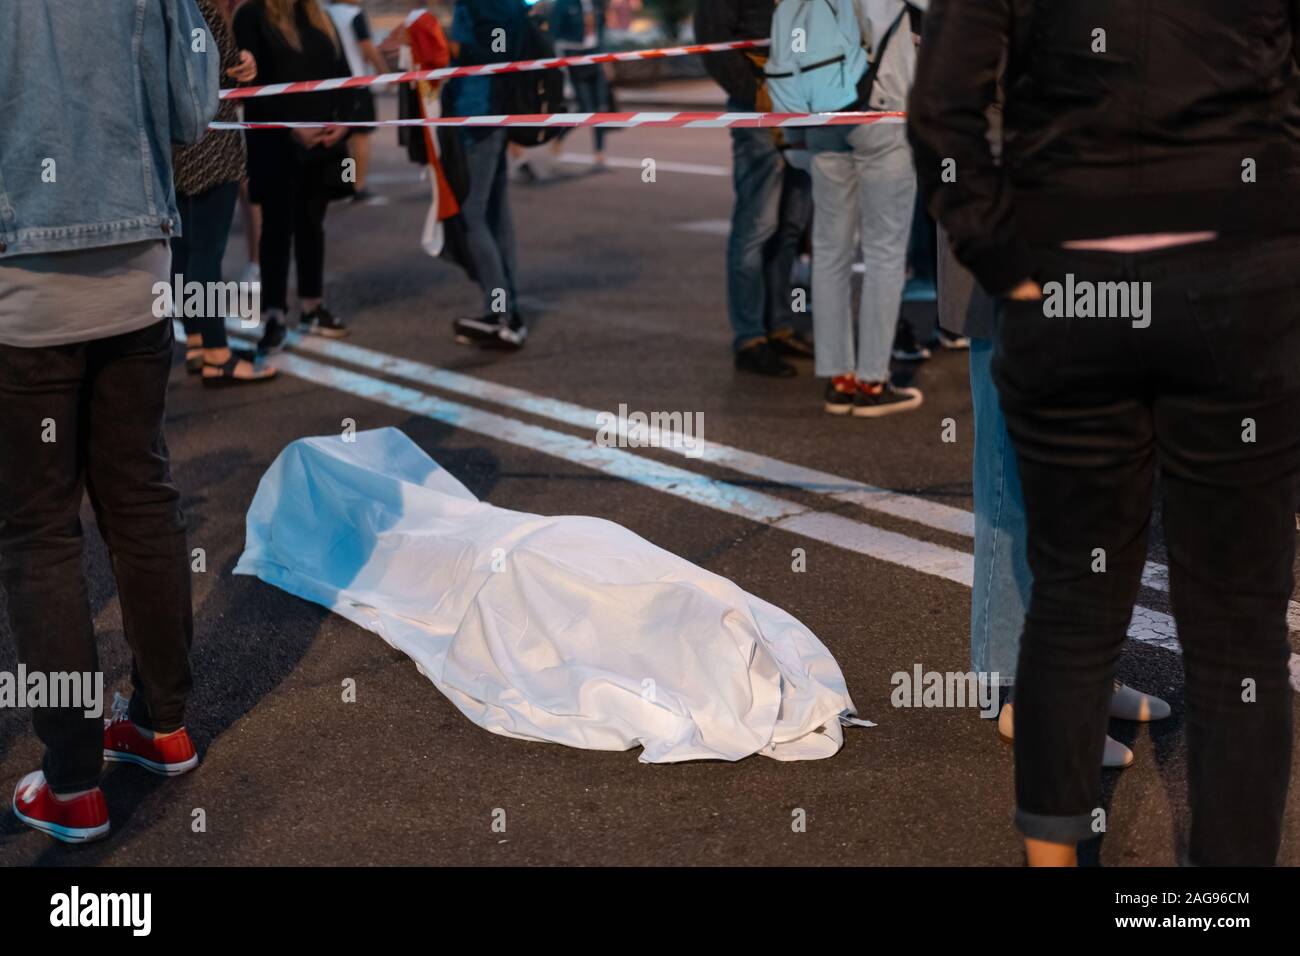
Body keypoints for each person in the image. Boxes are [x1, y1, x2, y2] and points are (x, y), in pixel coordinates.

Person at [912, 0, 1300, 866]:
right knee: (1239, 632)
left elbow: (943, 114)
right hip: (1237, 284)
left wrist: (1009, 269)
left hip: (1073, 281)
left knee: (1071, 605)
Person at [1, 0, 217, 843]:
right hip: (140, 270)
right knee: (140, 497)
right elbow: (192, 110)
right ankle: (161, 724)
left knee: (39, 533)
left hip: (22, 281)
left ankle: (73, 781)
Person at [784, 0, 923, 417]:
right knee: (884, 252)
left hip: (824, 114)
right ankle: (872, 380)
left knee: (829, 251)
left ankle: (839, 378)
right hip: (883, 113)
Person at [696, 0, 815, 378]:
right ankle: (749, 338)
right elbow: (712, 42)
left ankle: (778, 326)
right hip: (759, 108)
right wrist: (754, 92)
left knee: (791, 226)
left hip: (804, 104)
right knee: (756, 227)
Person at [234, 0, 357, 352]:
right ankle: (273, 315)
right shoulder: (252, 15)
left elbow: (345, 74)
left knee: (312, 224)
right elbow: (251, 86)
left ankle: (312, 307)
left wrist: (344, 123)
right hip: (275, 142)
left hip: (322, 142)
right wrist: (292, 128)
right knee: (275, 229)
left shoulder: (320, 17)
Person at [175, 0, 278, 386]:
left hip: (178, 144)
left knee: (184, 250)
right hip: (212, 145)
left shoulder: (172, 9)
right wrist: (246, 63)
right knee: (206, 254)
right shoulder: (206, 11)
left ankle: (199, 341)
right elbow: (227, 74)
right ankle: (219, 354)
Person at [448, 0, 531, 351]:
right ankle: (507, 312)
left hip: (478, 116)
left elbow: (491, 52)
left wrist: (447, 45)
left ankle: (500, 313)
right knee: (497, 218)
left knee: (473, 217)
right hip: (492, 114)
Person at [328, 0, 392, 203]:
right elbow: (366, 47)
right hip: (356, 83)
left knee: (343, 138)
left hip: (330, 84)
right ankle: (356, 186)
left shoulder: (323, 13)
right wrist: (384, 72)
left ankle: (345, 182)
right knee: (359, 139)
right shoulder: (353, 14)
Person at [550, 0, 613, 166]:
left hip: (596, 59)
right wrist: (561, 69)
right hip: (575, 62)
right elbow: (554, 37)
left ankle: (600, 152)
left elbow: (600, 33)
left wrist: (606, 61)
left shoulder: (595, 4)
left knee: (602, 107)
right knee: (585, 110)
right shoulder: (563, 5)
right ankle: (560, 136)